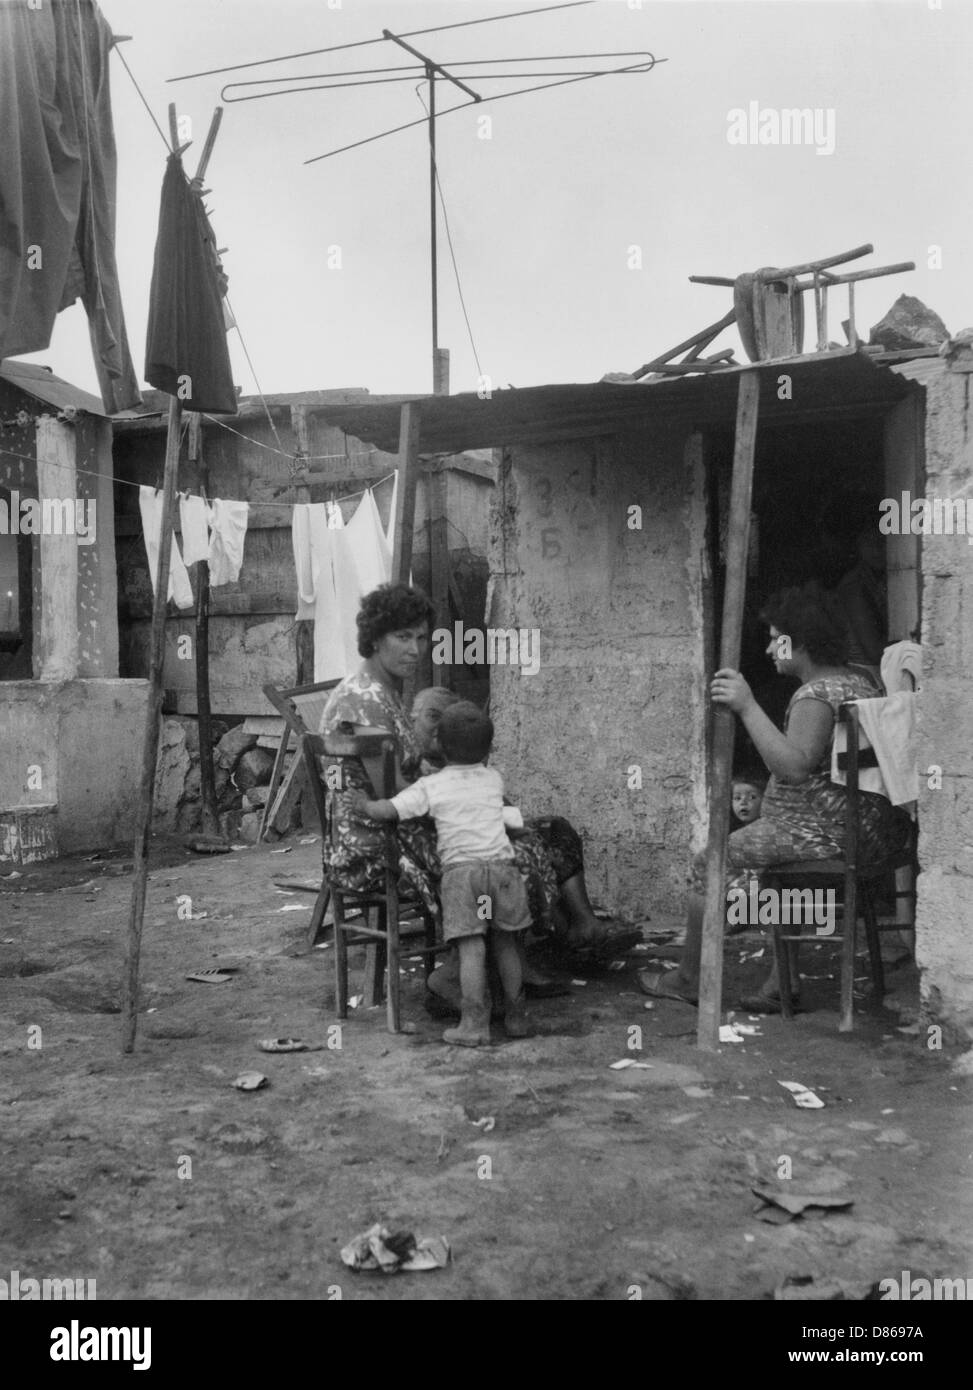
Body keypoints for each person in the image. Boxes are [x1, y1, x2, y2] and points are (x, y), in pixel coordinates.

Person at [638, 586, 911, 1013]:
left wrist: (747, 707)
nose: (769, 647)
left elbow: (794, 767)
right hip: (871, 829)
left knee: (708, 861)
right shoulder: (860, 679)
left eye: (776, 638)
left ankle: (690, 978)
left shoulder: (816, 696)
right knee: (770, 867)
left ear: (801, 640)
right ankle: (779, 981)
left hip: (824, 832)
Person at [347, 701, 530, 1047]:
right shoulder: (493, 779)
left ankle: (475, 1023)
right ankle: (517, 1016)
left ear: (441, 747)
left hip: (464, 877)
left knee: (473, 946)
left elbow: (391, 810)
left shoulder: (433, 785)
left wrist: (364, 805)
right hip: (503, 872)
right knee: (506, 943)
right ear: (488, 749)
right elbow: (506, 817)